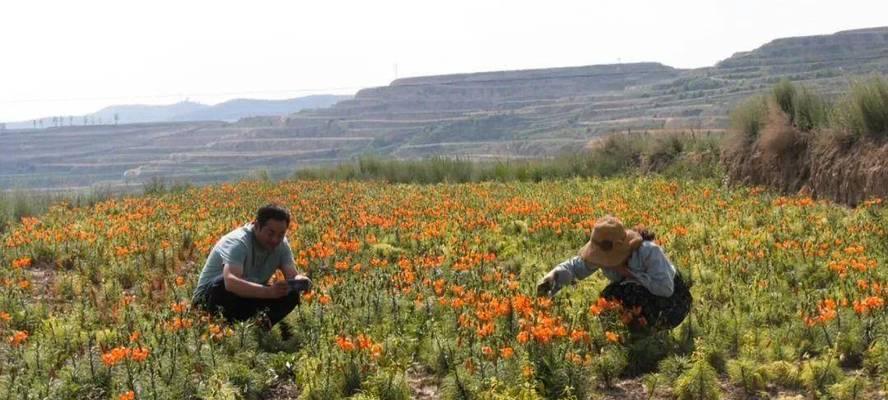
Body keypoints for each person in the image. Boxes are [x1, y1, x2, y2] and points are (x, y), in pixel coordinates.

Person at [536, 215, 691, 331]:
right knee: (610, 297)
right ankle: (624, 335)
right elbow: (576, 267)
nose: (603, 260)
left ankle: (647, 335)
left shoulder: (648, 252)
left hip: (673, 300)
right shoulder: (602, 254)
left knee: (629, 293)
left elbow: (665, 288)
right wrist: (554, 276)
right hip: (641, 294)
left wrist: (631, 274)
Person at [192, 204, 311, 333]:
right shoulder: (238, 242)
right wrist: (269, 292)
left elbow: (291, 276)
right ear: (256, 225)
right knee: (221, 283)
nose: (275, 239)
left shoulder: (281, 245)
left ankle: (254, 333)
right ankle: (219, 330)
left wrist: (300, 281)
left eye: (280, 234)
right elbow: (230, 282)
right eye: (270, 233)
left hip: (247, 296)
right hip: (209, 299)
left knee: (291, 293)